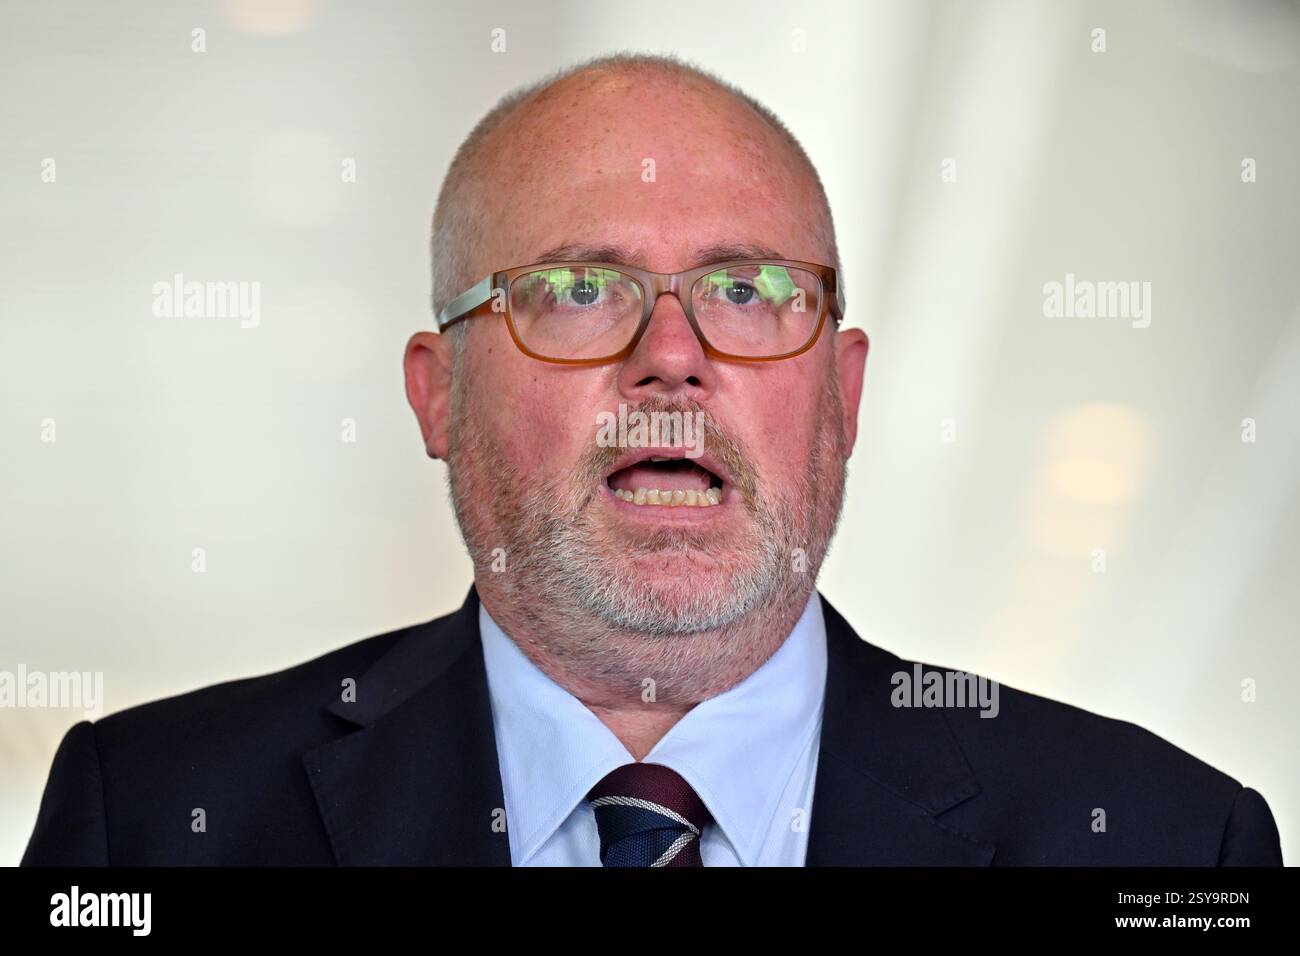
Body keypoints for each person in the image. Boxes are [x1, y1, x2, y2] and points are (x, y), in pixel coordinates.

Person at [22, 53, 1281, 867]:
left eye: (747, 289)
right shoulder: (145, 824)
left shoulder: (1169, 847)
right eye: (578, 289)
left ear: (839, 396)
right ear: (438, 392)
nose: (671, 358)